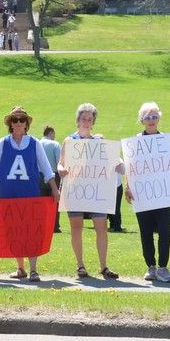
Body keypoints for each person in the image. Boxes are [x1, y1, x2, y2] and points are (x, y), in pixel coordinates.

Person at [0, 106, 59, 281]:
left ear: (26, 123)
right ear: (10, 123)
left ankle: (33, 269)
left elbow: (47, 169)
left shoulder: (34, 143)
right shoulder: (3, 143)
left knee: (31, 231)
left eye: (21, 120)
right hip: (9, 195)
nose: (18, 123)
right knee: (14, 230)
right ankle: (20, 268)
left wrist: (54, 189)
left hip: (30, 194)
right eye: (14, 120)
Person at [58, 103, 121, 280]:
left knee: (102, 227)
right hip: (75, 190)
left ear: (93, 122)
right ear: (78, 120)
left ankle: (103, 267)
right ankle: (80, 266)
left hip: (97, 192)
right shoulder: (69, 141)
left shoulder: (99, 142)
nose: (86, 121)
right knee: (76, 228)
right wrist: (61, 169)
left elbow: (111, 163)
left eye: (89, 119)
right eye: (83, 118)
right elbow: (61, 162)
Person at [124, 102, 170, 282]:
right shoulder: (135, 142)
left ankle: (163, 267)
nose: (151, 120)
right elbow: (131, 168)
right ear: (142, 120)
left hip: (163, 195)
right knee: (145, 231)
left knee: (164, 230)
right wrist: (127, 187)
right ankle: (151, 267)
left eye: (154, 116)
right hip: (142, 194)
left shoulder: (168, 141)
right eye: (147, 117)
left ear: (159, 118)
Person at [40, 126, 62, 233]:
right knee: (55, 201)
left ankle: (42, 224)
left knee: (41, 202)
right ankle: (54, 226)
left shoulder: (37, 144)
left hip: (39, 176)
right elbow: (60, 162)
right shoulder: (55, 144)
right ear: (51, 132)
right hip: (54, 175)